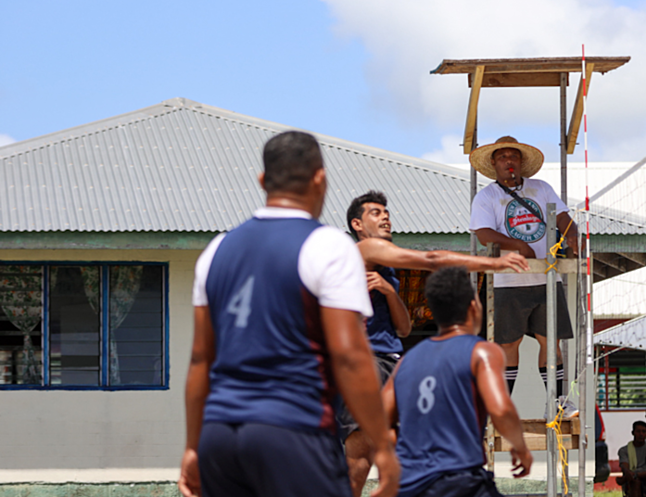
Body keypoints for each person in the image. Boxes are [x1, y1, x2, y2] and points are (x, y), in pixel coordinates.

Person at [177, 131, 399, 497]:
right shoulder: (329, 246)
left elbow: (201, 359)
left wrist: (192, 446)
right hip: (294, 430)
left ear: (263, 180)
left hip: (220, 435)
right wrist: (383, 445)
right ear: (320, 179)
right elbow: (350, 357)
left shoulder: (216, 250)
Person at [342, 191, 529, 496]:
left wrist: (390, 293)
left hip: (391, 355)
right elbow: (431, 259)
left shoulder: (386, 273)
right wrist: (493, 264)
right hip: (367, 359)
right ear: (357, 225)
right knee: (361, 454)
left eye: (386, 211)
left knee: (393, 446)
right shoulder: (365, 249)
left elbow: (404, 329)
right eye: (375, 213)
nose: (385, 216)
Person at [381, 266, 531, 497]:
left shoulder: (406, 362)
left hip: (410, 484)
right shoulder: (481, 352)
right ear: (474, 307)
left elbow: (380, 419)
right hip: (459, 480)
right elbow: (501, 410)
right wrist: (520, 447)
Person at [468, 136, 579, 412]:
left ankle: (557, 401)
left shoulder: (540, 189)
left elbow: (563, 217)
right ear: (494, 163)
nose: (509, 161)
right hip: (508, 280)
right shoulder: (487, 197)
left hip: (546, 276)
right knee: (508, 344)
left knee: (551, 342)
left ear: (521, 162)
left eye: (513, 156)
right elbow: (483, 234)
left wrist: (575, 235)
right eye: (502, 157)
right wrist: (517, 244)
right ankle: (502, 404)